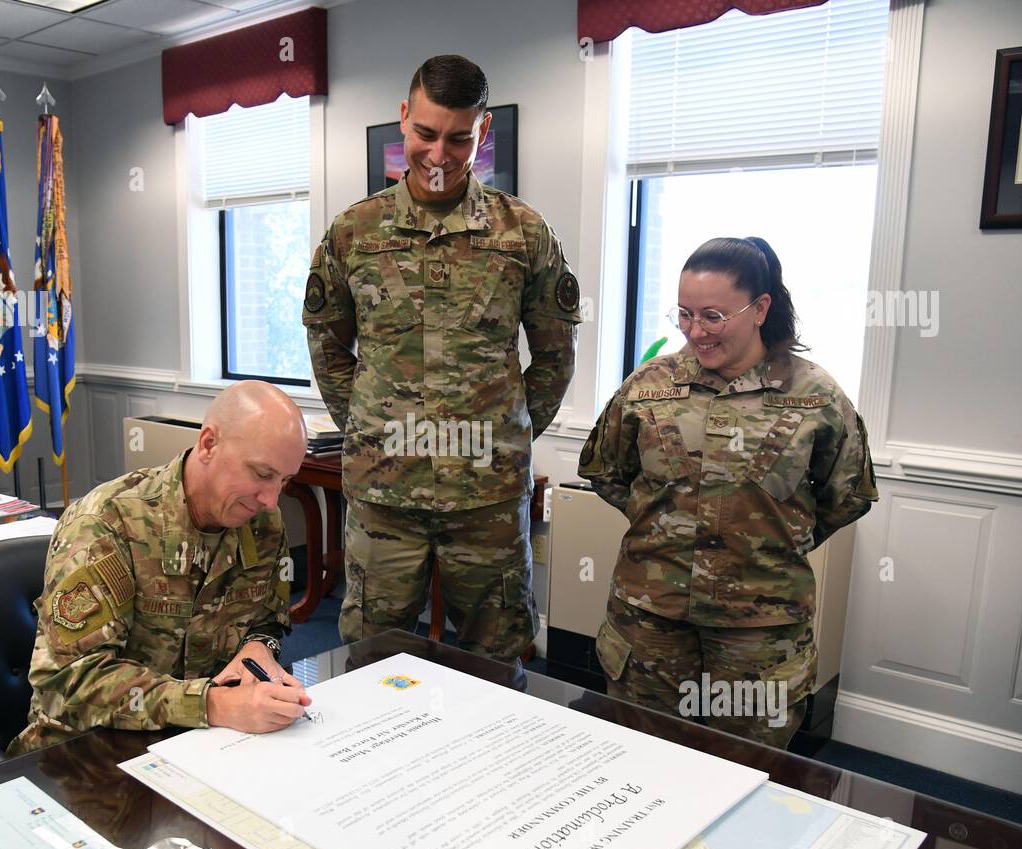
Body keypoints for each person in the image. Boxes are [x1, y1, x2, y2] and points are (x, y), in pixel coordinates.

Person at [302, 54, 583, 660]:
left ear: (481, 131)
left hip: (486, 496)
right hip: (385, 493)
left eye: (459, 138)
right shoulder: (355, 231)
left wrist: (504, 429)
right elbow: (327, 341)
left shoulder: (523, 233)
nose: (438, 154)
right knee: (371, 656)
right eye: (425, 134)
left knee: (497, 658)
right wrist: (367, 428)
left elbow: (557, 353)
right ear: (404, 118)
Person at [578, 237, 878, 747]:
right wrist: (664, 524)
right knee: (643, 766)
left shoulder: (815, 396)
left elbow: (847, 495)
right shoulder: (649, 385)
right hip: (650, 624)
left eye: (713, 316)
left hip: (759, 634)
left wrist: (770, 542)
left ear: (760, 308)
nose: (696, 332)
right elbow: (605, 469)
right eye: (685, 315)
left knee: (745, 773)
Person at [7, 381, 312, 755]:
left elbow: (267, 621)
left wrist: (259, 647)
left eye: (285, 480)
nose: (271, 499)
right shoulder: (107, 523)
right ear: (209, 444)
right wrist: (210, 704)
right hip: (86, 752)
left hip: (201, 742)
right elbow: (69, 683)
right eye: (262, 474)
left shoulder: (263, 524)